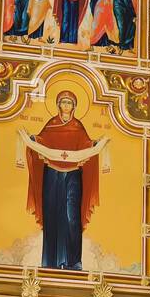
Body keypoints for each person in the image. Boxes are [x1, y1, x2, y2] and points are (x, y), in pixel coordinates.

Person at [18, 91, 107, 271]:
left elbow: (85, 144)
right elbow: (43, 140)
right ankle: (50, 262)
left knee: (71, 217)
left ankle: (74, 261)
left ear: (74, 107)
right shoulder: (51, 125)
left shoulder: (78, 126)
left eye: (69, 103)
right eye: (63, 103)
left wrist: (96, 144)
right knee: (52, 215)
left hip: (73, 176)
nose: (66, 106)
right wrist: (33, 139)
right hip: (52, 175)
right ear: (59, 105)